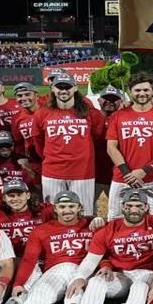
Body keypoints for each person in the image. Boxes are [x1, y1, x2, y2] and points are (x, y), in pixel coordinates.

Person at [0, 191, 97, 304]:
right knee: (41, 290)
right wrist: (18, 283)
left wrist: (98, 221)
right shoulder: (41, 230)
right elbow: (29, 260)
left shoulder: (92, 225)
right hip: (56, 269)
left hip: (83, 269)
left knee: (74, 300)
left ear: (79, 207)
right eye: (62, 207)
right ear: (55, 208)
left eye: (71, 206)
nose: (67, 210)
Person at [104, 74, 153, 218]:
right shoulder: (118, 116)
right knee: (115, 221)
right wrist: (127, 173)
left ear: (152, 91)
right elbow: (111, 147)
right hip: (123, 179)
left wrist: (145, 170)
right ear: (130, 92)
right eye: (137, 90)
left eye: (146, 90)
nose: (142, 93)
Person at [30, 71, 105, 214]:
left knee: (83, 213)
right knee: (52, 213)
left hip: (82, 171)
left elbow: (97, 137)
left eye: (67, 87)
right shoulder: (42, 113)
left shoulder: (90, 113)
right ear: (53, 88)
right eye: (60, 87)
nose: (63, 90)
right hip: (52, 171)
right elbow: (38, 141)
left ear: (75, 88)